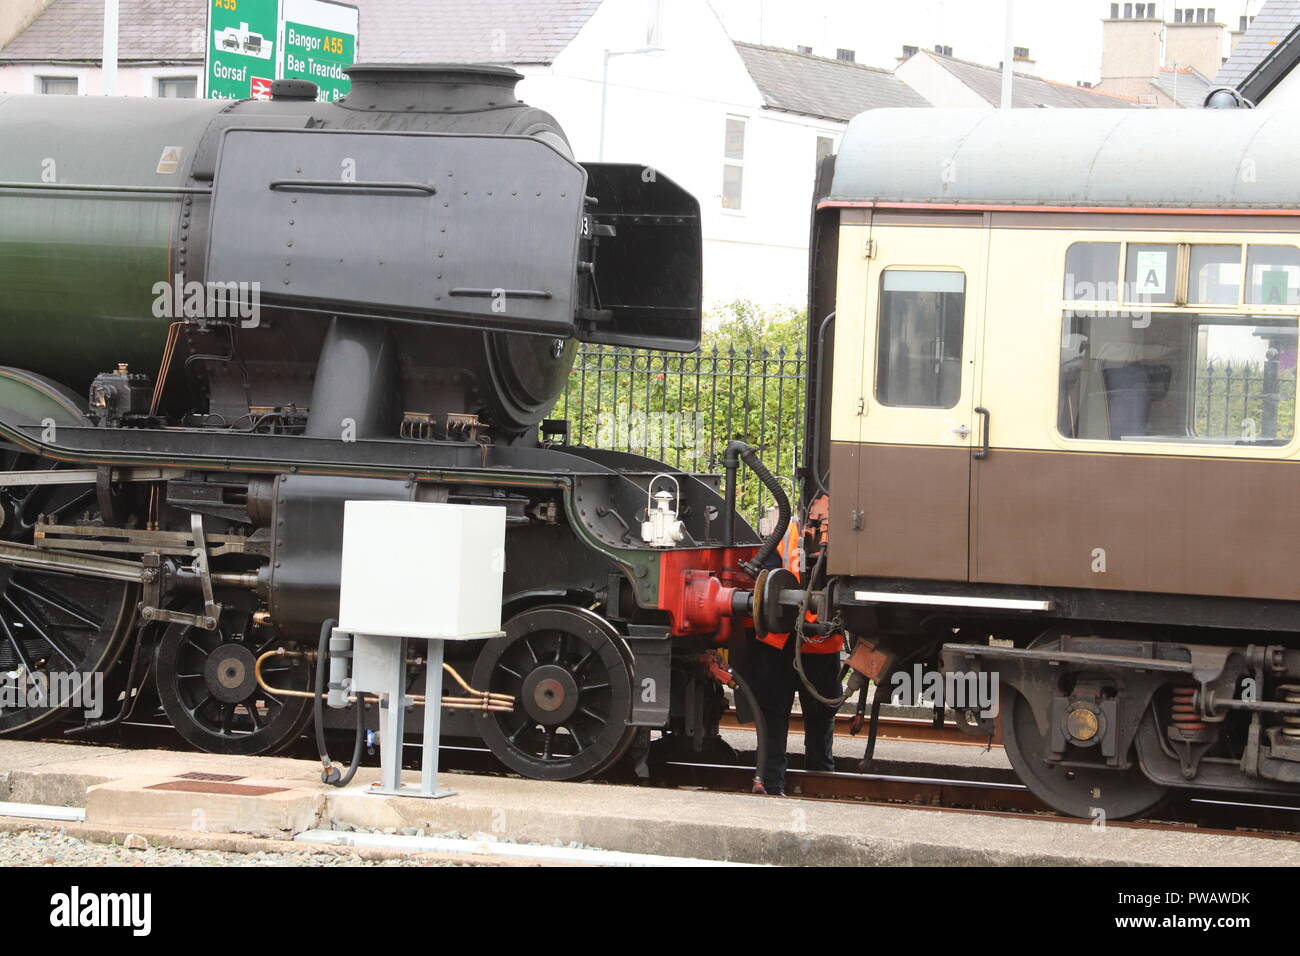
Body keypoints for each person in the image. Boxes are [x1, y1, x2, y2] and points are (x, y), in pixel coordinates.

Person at [748, 516, 843, 796]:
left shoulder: (783, 532)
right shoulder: (842, 536)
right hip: (816, 643)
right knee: (819, 716)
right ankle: (820, 783)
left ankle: (770, 782)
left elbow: (763, 579)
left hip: (781, 640)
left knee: (775, 716)